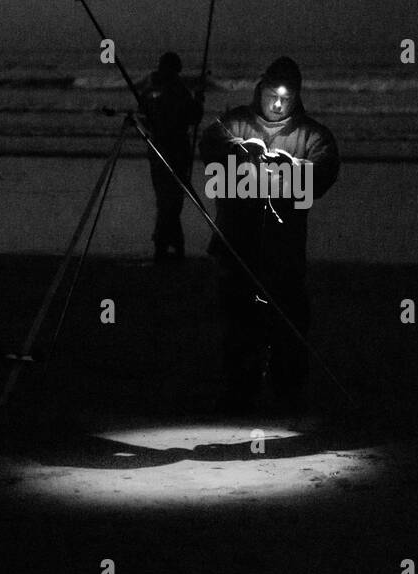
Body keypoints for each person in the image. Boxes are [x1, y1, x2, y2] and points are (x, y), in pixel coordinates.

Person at [198, 56, 340, 415]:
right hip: (236, 243)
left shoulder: (313, 135)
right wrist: (236, 151)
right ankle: (238, 391)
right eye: (272, 95)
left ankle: (288, 392)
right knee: (238, 321)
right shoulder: (235, 123)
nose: (278, 104)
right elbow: (209, 144)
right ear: (259, 90)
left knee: (289, 320)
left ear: (297, 97)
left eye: (286, 98)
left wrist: (291, 169)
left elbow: (325, 172)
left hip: (284, 249)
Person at [137, 51, 203, 260]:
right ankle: (167, 242)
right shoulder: (177, 89)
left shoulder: (150, 89)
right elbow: (193, 116)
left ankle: (167, 242)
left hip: (158, 148)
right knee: (172, 198)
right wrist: (198, 101)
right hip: (174, 148)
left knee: (166, 197)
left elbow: (143, 116)